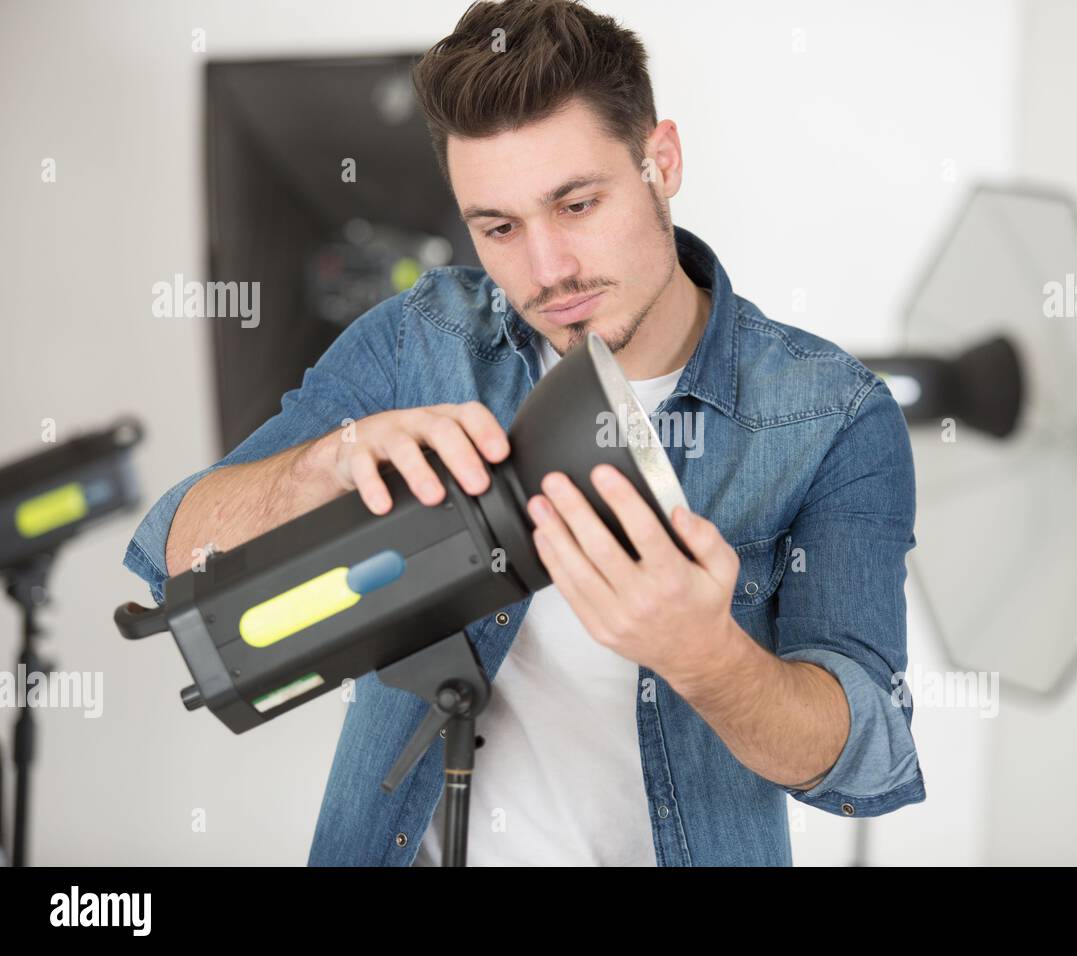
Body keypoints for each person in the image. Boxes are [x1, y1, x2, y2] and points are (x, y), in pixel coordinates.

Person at [123, 0, 925, 866]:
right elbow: (176, 553)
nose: (547, 273)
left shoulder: (832, 415)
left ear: (662, 161)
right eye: (498, 228)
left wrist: (708, 657)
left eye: (577, 205)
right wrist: (327, 463)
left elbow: (869, 758)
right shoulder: (419, 340)